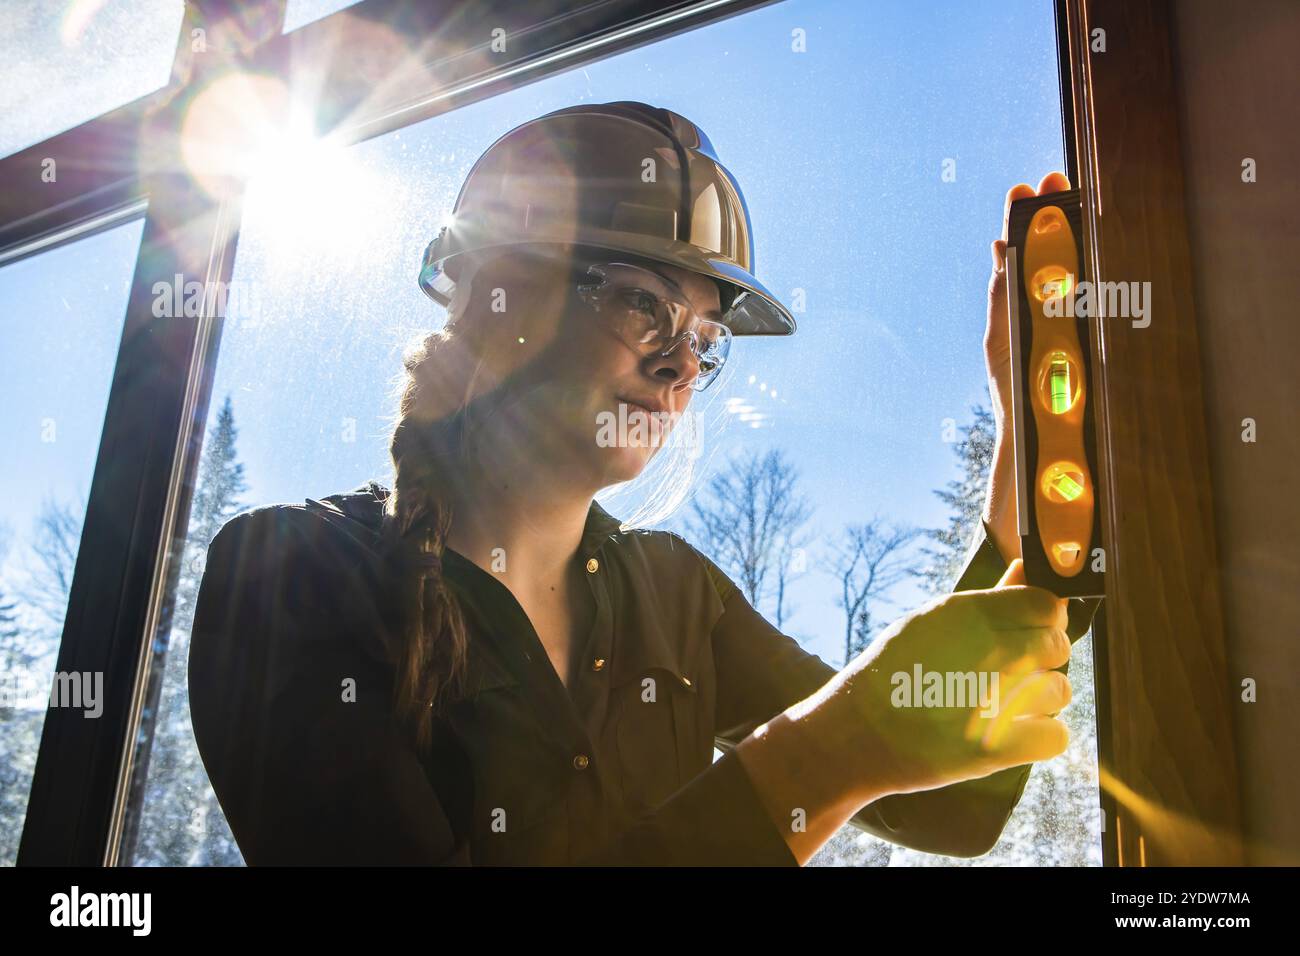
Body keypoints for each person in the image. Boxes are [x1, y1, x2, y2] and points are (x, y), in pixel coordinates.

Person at [188, 101, 1098, 866]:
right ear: (498, 298)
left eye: (705, 338)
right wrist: (825, 755)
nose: (681, 368)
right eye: (643, 304)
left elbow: (955, 805)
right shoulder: (291, 575)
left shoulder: (677, 595)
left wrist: (1025, 515)